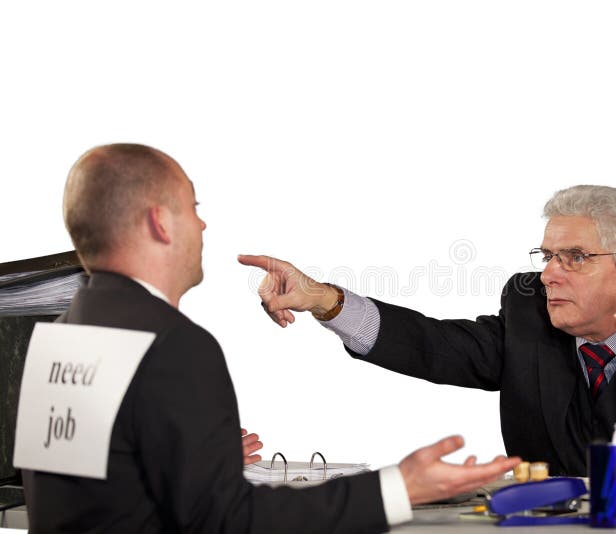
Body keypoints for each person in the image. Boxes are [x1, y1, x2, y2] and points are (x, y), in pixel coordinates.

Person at [21, 143, 519, 533]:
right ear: (159, 221)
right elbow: (227, 522)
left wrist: (189, 460)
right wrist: (398, 487)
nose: (202, 222)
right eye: (192, 205)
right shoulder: (174, 345)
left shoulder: (58, 337)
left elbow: (94, 489)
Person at [239, 184, 616, 492]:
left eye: (574, 258)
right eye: (547, 256)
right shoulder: (530, 314)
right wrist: (324, 301)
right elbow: (434, 344)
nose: (549, 274)